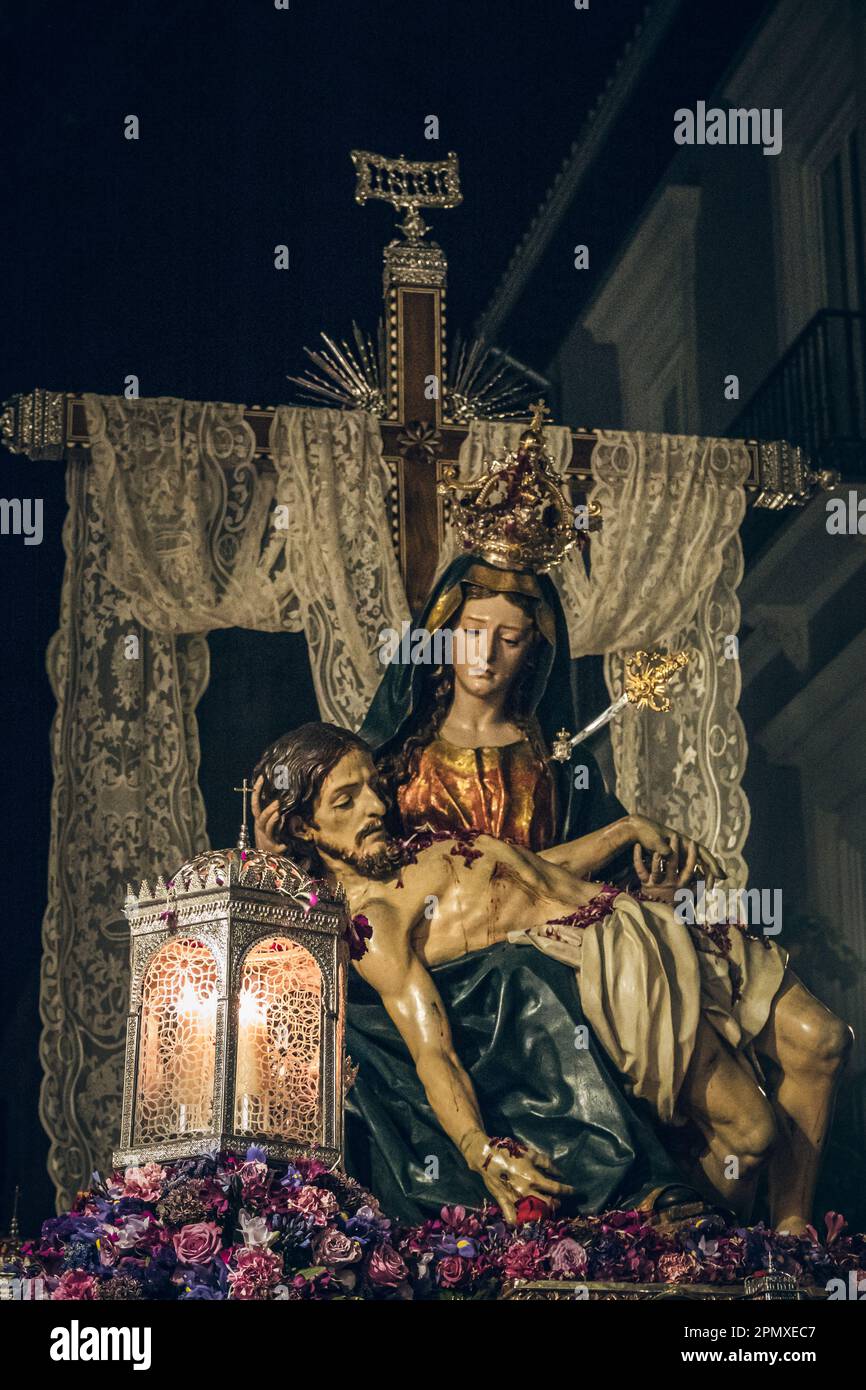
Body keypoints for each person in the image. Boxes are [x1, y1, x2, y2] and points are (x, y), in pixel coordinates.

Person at [253, 721, 852, 1234]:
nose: (377, 807)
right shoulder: (373, 924)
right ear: (303, 828)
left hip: (649, 925)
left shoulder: (416, 849)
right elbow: (432, 1050)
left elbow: (531, 870)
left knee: (824, 1041)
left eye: (372, 788)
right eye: (345, 801)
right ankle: (704, 1255)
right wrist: (479, 1149)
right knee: (751, 1133)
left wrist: (624, 831)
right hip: (615, 963)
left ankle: (786, 1239)